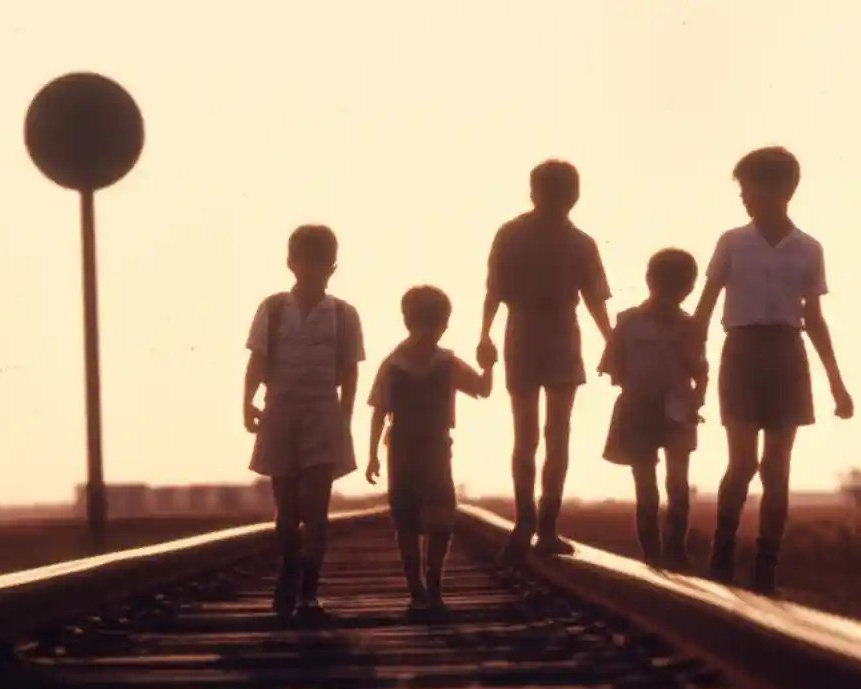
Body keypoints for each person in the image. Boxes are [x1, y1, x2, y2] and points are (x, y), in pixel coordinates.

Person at [694, 147, 854, 596]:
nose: (744, 197)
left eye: (749, 188)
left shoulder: (808, 249)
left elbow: (814, 319)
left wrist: (837, 384)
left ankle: (766, 569)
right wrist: (693, 364)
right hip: (741, 351)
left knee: (777, 468)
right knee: (741, 462)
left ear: (781, 190)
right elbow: (704, 309)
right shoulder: (732, 242)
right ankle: (721, 560)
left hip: (787, 354)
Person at [477, 160, 613, 561]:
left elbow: (493, 293)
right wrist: (484, 334)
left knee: (536, 435)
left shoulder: (516, 235)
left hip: (536, 333)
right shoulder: (573, 242)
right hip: (544, 334)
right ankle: (537, 523)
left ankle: (534, 523)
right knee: (550, 435)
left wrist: (485, 334)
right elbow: (594, 300)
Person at [243, 225, 365, 617]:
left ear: (331, 268)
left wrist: (343, 419)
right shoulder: (273, 309)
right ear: (291, 263)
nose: (311, 271)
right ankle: (289, 572)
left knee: (316, 510)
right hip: (280, 413)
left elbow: (349, 371)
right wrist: (247, 402)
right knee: (287, 513)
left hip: (323, 415)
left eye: (319, 264)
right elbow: (258, 360)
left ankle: (308, 589)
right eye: (304, 262)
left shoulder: (344, 315)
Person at [366, 286, 493, 612]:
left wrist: (490, 365)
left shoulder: (446, 362)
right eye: (437, 323)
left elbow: (482, 388)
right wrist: (371, 455)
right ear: (412, 322)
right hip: (406, 450)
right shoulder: (393, 365)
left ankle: (432, 587)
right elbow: (379, 410)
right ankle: (417, 591)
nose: (439, 330)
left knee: (440, 519)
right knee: (406, 521)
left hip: (434, 449)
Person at [599, 249, 708, 569]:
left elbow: (700, 370)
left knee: (675, 484)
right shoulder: (628, 321)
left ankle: (673, 552)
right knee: (648, 485)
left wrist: (696, 399)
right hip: (639, 409)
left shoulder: (689, 326)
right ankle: (654, 555)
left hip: (675, 410)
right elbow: (613, 366)